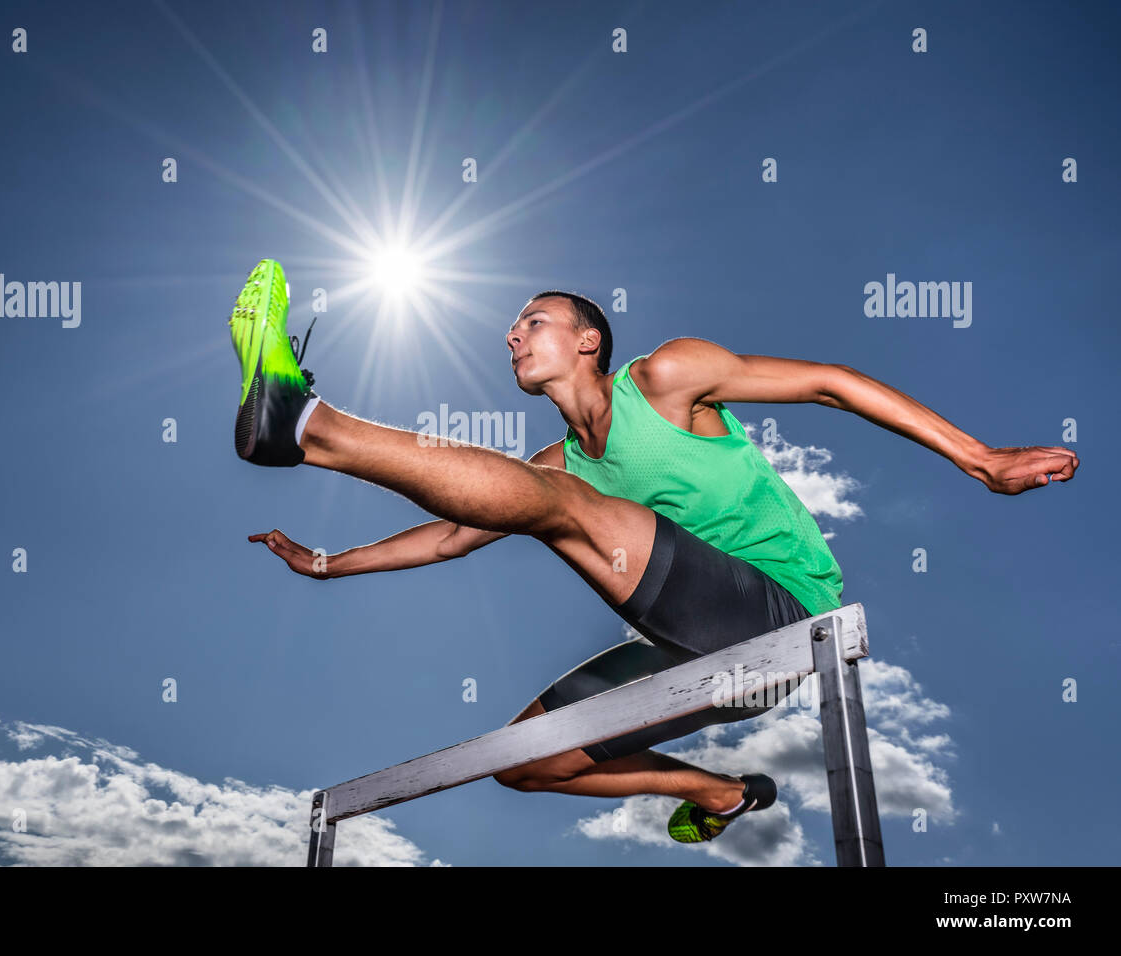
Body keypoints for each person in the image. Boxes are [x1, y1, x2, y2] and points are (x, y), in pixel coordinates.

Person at [229, 259, 1079, 846]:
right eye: (511, 331)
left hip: (785, 618)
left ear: (588, 340)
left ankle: (306, 422)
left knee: (564, 508)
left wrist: (981, 457)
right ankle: (716, 794)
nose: (513, 338)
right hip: (692, 648)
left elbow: (830, 380)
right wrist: (327, 564)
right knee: (524, 762)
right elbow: (453, 534)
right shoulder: (557, 465)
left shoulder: (667, 378)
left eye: (533, 322)